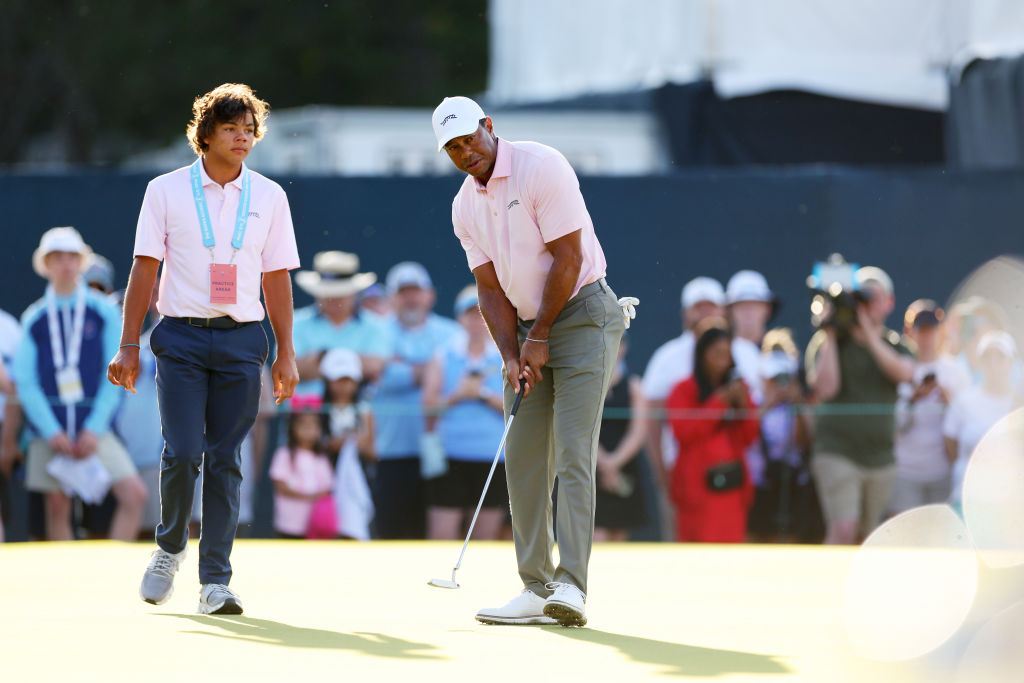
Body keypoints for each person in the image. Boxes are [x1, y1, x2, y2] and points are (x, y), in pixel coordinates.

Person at [434, 95, 631, 627]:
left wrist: (539, 336)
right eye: (453, 148)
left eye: (470, 139)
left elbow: (569, 257)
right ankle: (535, 586)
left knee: (572, 450)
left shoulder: (542, 166)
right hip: (524, 329)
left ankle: (571, 586)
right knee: (522, 459)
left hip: (585, 316)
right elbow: (489, 288)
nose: (465, 152)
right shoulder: (463, 206)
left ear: (489, 126)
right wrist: (509, 353)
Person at [107, 83, 300, 615]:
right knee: (185, 451)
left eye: (249, 130)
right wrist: (129, 344)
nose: (242, 138)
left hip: (243, 339)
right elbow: (145, 266)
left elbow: (277, 276)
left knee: (225, 460)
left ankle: (215, 581)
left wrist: (285, 352)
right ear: (206, 134)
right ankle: (169, 548)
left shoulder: (270, 196)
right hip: (181, 337)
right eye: (231, 128)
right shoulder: (165, 190)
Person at [13, 227, 147, 541]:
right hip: (49, 431)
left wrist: (94, 428)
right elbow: (26, 383)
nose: (66, 264)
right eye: (57, 257)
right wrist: (51, 431)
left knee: (134, 495)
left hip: (94, 429)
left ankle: (112, 566)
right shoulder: (35, 317)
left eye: (72, 257)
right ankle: (65, 571)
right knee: (57, 505)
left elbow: (114, 373)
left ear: (82, 261)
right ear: (45, 264)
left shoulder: (103, 312)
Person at [805, 265, 914, 544]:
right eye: (862, 298)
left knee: (868, 538)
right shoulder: (829, 343)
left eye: (874, 298)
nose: (867, 305)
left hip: (880, 459)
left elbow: (904, 373)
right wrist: (830, 332)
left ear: (889, 303)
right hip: (837, 451)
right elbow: (826, 388)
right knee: (844, 528)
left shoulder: (894, 345)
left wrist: (869, 334)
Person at [370, 261, 461, 539]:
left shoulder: (451, 333)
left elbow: (455, 379)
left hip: (442, 450)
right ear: (391, 298)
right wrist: (431, 370)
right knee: (392, 536)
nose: (411, 299)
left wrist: (403, 366)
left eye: (416, 291)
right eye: (403, 292)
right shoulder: (377, 331)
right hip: (391, 452)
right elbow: (382, 375)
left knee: (437, 537)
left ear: (429, 295)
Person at [421, 285, 508, 541]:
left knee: (484, 538)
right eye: (472, 315)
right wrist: (458, 395)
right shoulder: (443, 356)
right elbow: (428, 407)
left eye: (483, 314)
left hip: (493, 458)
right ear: (460, 319)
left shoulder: (505, 356)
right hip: (450, 456)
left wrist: (481, 394)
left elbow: (519, 408)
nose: (478, 322)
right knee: (442, 535)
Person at [665, 324, 759, 543]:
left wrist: (743, 405)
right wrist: (720, 402)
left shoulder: (738, 388)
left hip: (732, 490)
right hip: (696, 491)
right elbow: (684, 433)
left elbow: (750, 437)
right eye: (716, 354)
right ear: (701, 355)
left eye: (727, 354)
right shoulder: (682, 389)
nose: (722, 361)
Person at [890, 301, 961, 514]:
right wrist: (913, 400)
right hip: (905, 472)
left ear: (941, 332)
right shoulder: (900, 369)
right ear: (909, 332)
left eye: (931, 331)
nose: (926, 338)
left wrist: (950, 404)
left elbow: (963, 424)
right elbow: (895, 425)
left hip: (942, 472)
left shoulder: (955, 370)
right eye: (921, 331)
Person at [747, 330, 817, 542]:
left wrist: (797, 405)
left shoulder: (800, 404)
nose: (778, 383)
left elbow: (805, 441)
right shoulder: (753, 402)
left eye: (783, 377)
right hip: (760, 486)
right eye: (773, 377)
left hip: (793, 483)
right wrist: (768, 405)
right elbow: (745, 437)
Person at [292, 251, 391, 394]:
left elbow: (375, 367)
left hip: (359, 408)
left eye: (340, 293)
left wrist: (319, 359)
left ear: (353, 292)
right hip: (305, 408)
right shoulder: (295, 323)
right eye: (328, 293)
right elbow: (289, 369)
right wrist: (353, 364)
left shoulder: (375, 325)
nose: (333, 298)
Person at [943, 331, 1019, 514]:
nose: (993, 363)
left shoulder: (1019, 405)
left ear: (1010, 362)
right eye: (988, 357)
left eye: (1000, 357)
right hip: (966, 500)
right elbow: (950, 444)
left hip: (1006, 504)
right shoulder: (964, 401)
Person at [594, 334, 649, 542]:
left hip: (624, 468)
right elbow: (578, 428)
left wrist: (613, 463)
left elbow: (638, 431)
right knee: (595, 535)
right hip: (591, 469)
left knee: (620, 536)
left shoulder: (634, 386)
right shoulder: (584, 386)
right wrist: (603, 463)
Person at [319, 348, 375, 540]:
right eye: (338, 380)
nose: (343, 386)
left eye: (348, 380)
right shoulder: (319, 409)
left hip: (356, 478)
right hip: (324, 482)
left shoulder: (364, 411)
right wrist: (343, 441)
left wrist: (352, 442)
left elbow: (371, 450)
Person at [269, 395, 334, 539]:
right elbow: (281, 486)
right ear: (293, 427)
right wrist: (310, 496)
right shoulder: (284, 454)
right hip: (288, 524)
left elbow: (328, 488)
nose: (308, 430)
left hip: (314, 526)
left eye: (313, 425)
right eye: (304, 424)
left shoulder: (321, 458)